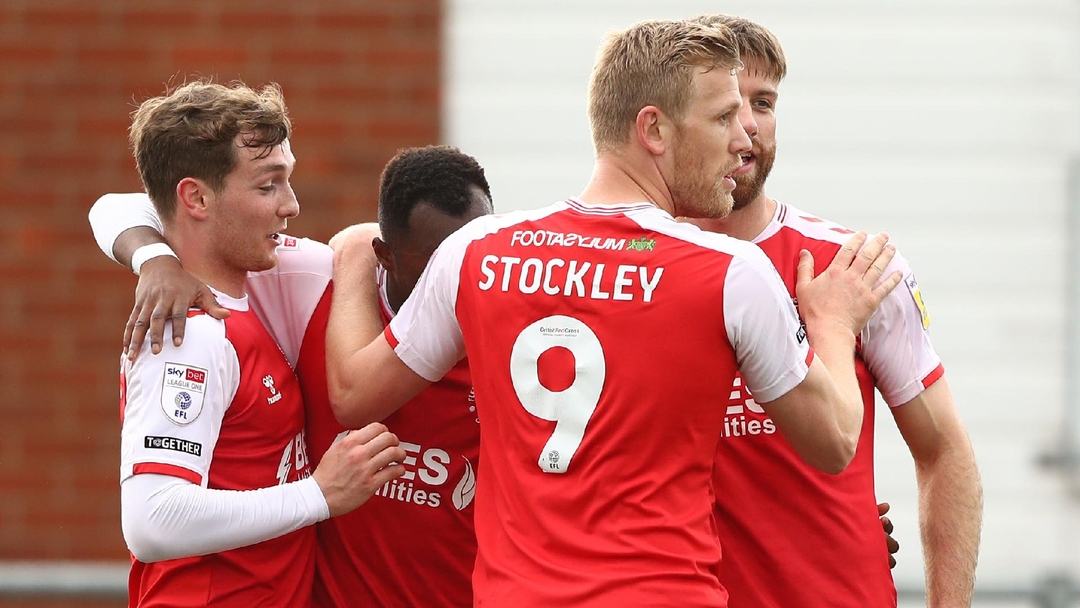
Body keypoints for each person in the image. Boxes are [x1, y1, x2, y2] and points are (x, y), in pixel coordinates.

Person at [324, 19, 902, 606]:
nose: (742, 138)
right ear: (653, 129)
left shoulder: (476, 250)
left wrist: (351, 256)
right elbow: (834, 443)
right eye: (724, 117)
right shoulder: (731, 271)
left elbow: (353, 394)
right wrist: (833, 323)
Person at [88, 145, 493, 606]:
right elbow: (126, 206)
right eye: (437, 267)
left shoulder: (513, 334)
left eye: (474, 259)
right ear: (386, 257)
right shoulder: (316, 289)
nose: (458, 282)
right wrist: (155, 259)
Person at [685, 14, 983, 608]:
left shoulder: (853, 268)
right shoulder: (632, 269)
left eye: (764, 103)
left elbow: (944, 452)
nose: (749, 126)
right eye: (729, 107)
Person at [106, 80, 406, 608]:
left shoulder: (244, 299)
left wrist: (151, 256)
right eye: (268, 186)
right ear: (196, 198)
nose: (290, 205)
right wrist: (319, 494)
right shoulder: (189, 333)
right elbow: (153, 520)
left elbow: (115, 207)